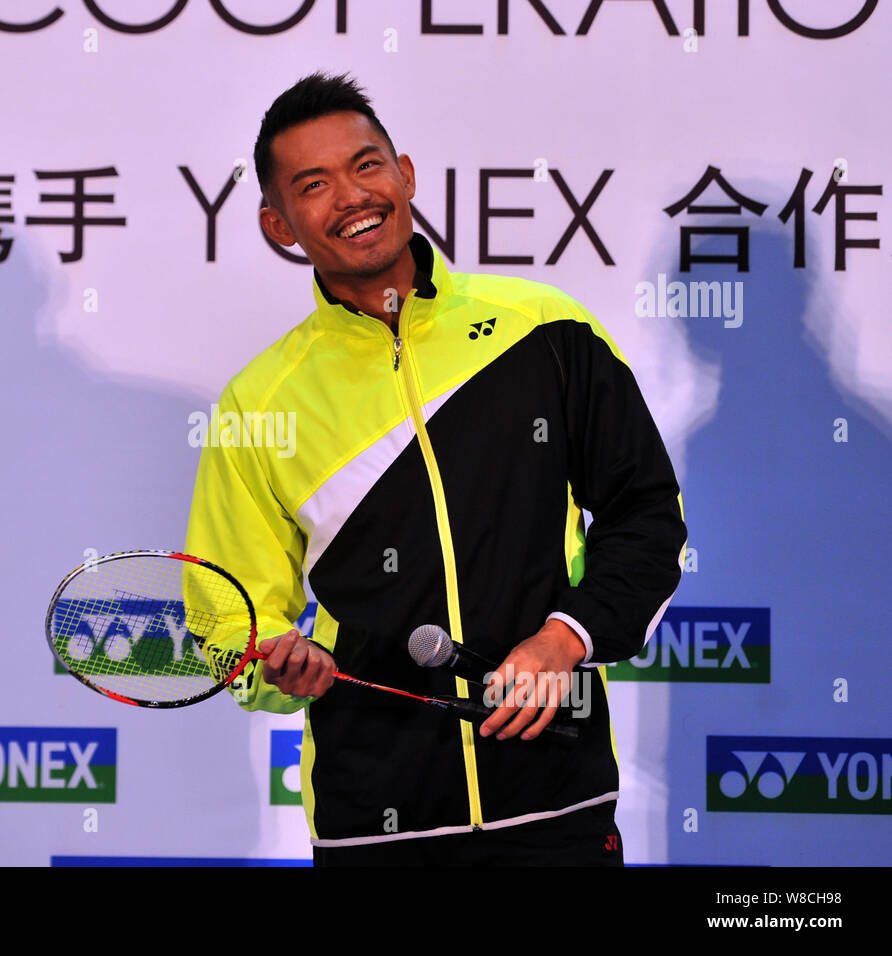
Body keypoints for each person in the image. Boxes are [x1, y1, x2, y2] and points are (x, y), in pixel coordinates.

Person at [184, 72, 687, 865]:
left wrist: (566, 638)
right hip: (375, 820)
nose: (352, 196)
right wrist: (278, 664)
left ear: (406, 173)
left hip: (559, 803)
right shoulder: (258, 402)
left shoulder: (546, 329)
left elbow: (649, 518)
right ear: (277, 223)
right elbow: (228, 621)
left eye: (366, 165)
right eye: (313, 185)